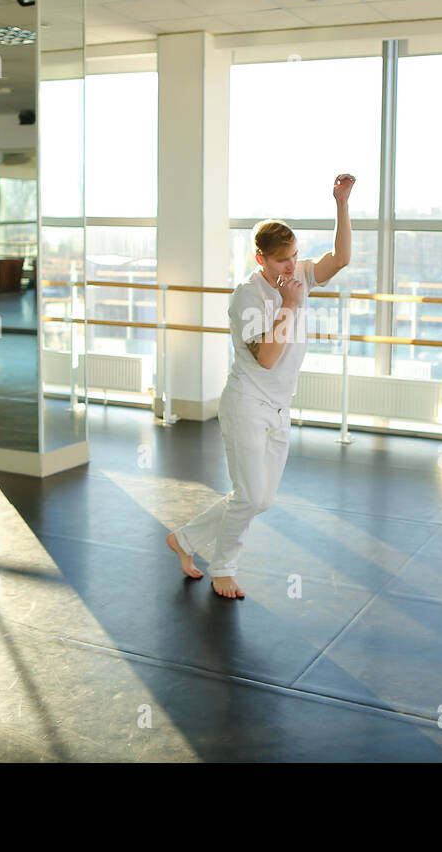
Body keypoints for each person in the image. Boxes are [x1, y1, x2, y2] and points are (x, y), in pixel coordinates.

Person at [167, 173, 356, 598]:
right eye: (282, 260)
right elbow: (267, 359)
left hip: (280, 406)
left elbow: (340, 258)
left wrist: (341, 203)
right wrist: (290, 304)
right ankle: (223, 569)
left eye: (295, 256)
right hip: (247, 404)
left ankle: (185, 539)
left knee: (261, 499)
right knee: (250, 496)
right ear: (261, 259)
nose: (292, 266)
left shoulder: (299, 275)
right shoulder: (247, 296)